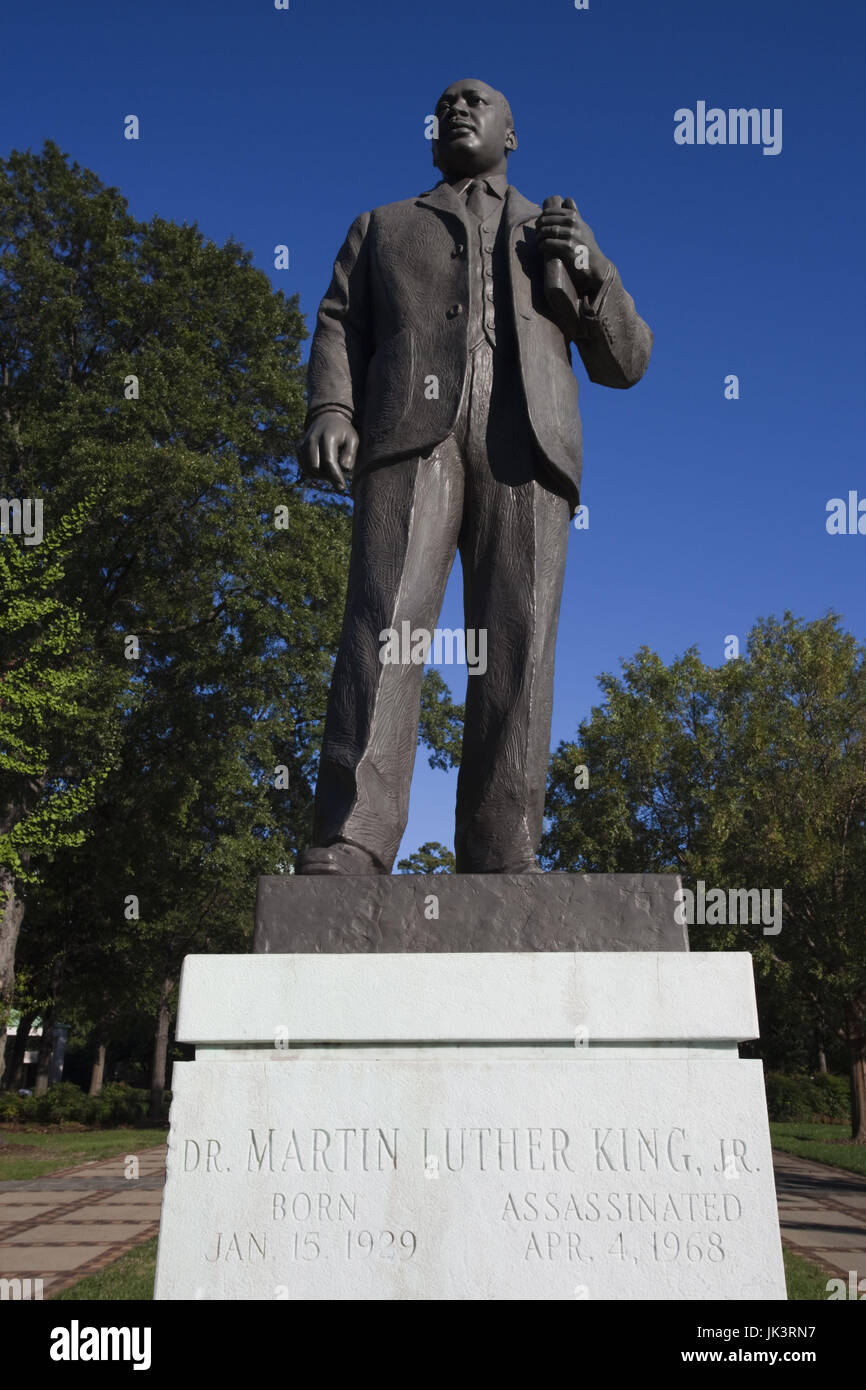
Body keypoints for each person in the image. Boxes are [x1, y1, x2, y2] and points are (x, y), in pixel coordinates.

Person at [298, 79, 652, 875]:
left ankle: (502, 845)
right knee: (386, 626)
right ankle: (351, 835)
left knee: (519, 640)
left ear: (511, 133)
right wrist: (330, 407)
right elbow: (339, 324)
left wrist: (592, 269)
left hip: (527, 446)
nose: (459, 106)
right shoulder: (384, 226)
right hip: (408, 439)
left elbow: (626, 362)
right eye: (448, 100)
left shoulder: (554, 230)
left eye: (478, 100)